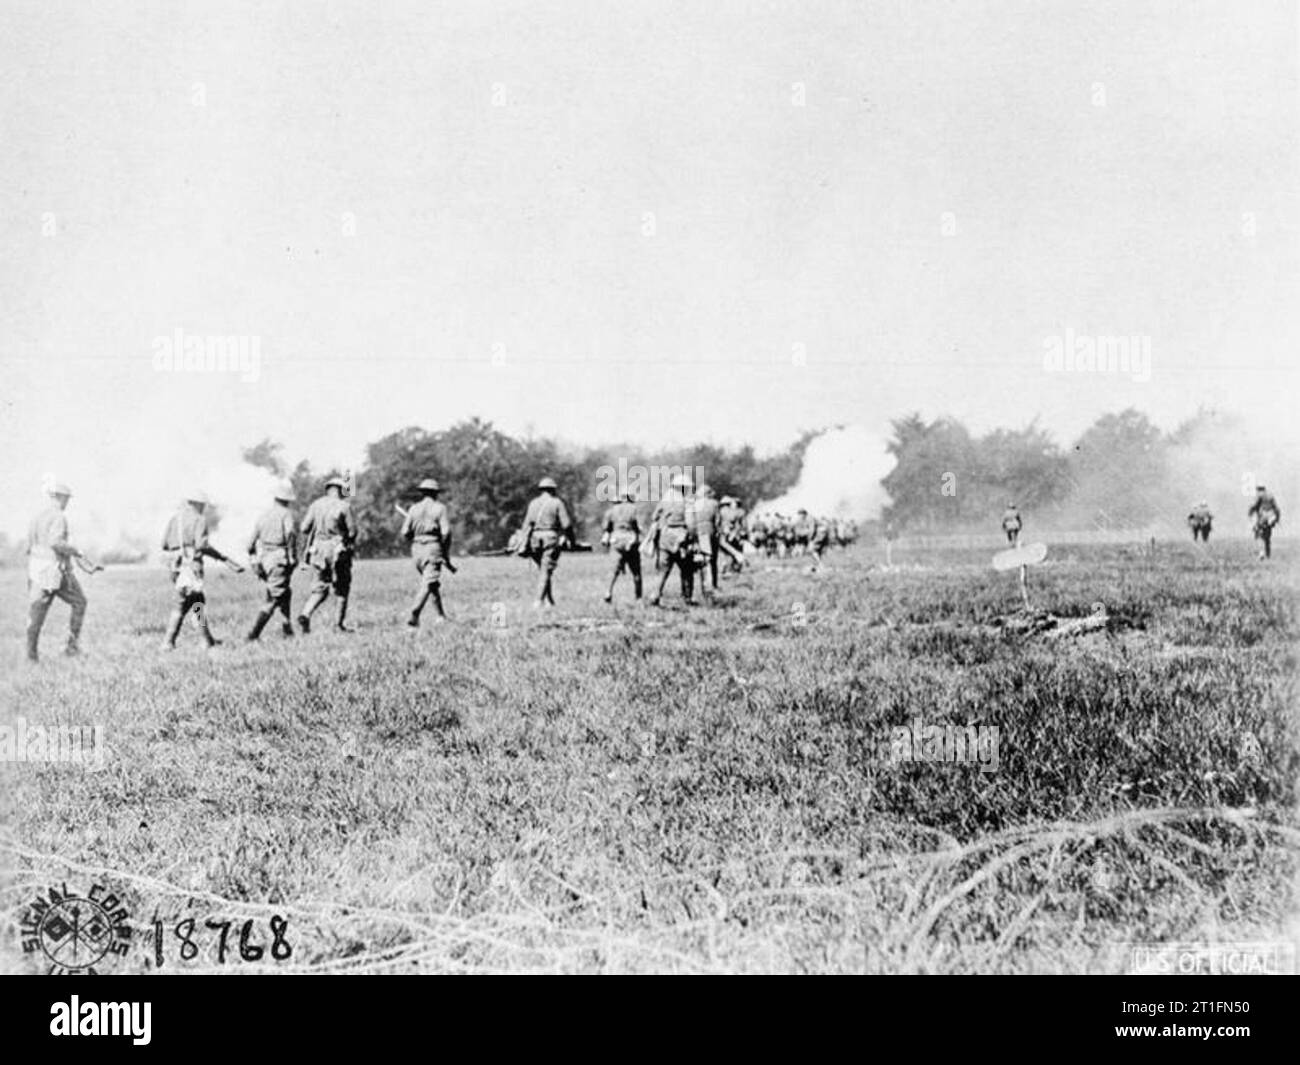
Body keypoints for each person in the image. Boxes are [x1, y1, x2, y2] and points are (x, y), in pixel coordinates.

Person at [161, 491, 244, 650]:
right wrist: (223, 558)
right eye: (203, 505)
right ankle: (169, 642)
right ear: (197, 504)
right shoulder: (199, 520)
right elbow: (202, 545)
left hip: (175, 567)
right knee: (186, 604)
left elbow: (164, 544)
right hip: (191, 567)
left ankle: (206, 640)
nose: (204, 508)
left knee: (192, 602)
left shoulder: (174, 519)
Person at [26, 482, 95, 662]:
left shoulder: (37, 517)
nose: (67, 503)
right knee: (80, 602)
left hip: (36, 571)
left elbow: (29, 546)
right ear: (59, 497)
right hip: (55, 570)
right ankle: (71, 647)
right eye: (66, 499)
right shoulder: (59, 517)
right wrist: (76, 551)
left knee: (36, 614)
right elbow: (56, 542)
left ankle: (30, 656)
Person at [298, 476, 358, 633]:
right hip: (338, 550)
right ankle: (338, 625)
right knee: (342, 588)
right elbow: (352, 532)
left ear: (328, 489)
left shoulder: (316, 505)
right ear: (340, 490)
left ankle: (305, 613)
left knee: (319, 588)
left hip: (318, 550)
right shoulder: (344, 506)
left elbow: (304, 528)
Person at [245, 484, 299, 641]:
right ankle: (252, 635)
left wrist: (255, 562)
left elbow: (250, 545)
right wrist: (292, 556)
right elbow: (290, 534)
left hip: (265, 560)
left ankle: (287, 629)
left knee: (284, 593)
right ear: (287, 500)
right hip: (279, 559)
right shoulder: (285, 514)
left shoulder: (263, 516)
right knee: (273, 599)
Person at [402, 478, 452, 626]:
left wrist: (416, 535)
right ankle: (414, 614)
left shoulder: (413, 509)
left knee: (431, 583)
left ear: (422, 493)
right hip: (432, 548)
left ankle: (441, 616)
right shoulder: (440, 508)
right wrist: (444, 550)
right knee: (429, 582)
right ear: (436, 493)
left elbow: (405, 532)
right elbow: (446, 531)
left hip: (416, 550)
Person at [520, 476, 574, 608]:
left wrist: (523, 544)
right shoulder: (557, 503)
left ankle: (550, 601)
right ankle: (538, 601)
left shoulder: (533, 503)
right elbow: (566, 525)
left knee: (543, 570)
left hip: (535, 540)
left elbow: (526, 526)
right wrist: (572, 540)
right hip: (550, 538)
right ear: (553, 490)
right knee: (546, 571)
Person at [650, 473, 697, 606]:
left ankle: (655, 594)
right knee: (687, 569)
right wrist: (692, 538)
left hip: (665, 537)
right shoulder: (686, 502)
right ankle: (687, 597)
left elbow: (654, 517)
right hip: (681, 537)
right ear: (683, 487)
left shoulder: (664, 500)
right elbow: (691, 523)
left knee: (663, 569)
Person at [601, 489, 642, 603]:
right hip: (630, 540)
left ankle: (608, 592)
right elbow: (638, 526)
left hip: (616, 540)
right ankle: (638, 598)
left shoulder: (612, 510)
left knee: (613, 570)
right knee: (636, 571)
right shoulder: (634, 509)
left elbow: (606, 527)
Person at [692, 484, 721, 594]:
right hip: (711, 531)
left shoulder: (694, 504)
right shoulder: (714, 504)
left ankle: (704, 586)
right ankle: (713, 584)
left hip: (699, 532)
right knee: (713, 560)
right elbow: (717, 521)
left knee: (702, 560)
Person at [1248, 485, 1281, 560]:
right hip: (1271, 517)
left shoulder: (1259, 495)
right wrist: (1277, 518)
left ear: (1259, 489)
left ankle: (1261, 553)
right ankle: (1268, 554)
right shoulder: (1271, 496)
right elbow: (1276, 508)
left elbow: (1254, 506)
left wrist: (1250, 513)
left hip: (1263, 517)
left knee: (1259, 535)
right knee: (1267, 537)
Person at [718, 495, 747, 573]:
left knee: (724, 550)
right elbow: (742, 524)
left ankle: (727, 564)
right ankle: (735, 566)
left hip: (724, 532)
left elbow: (717, 523)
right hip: (735, 532)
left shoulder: (720, 511)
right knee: (736, 547)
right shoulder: (738, 512)